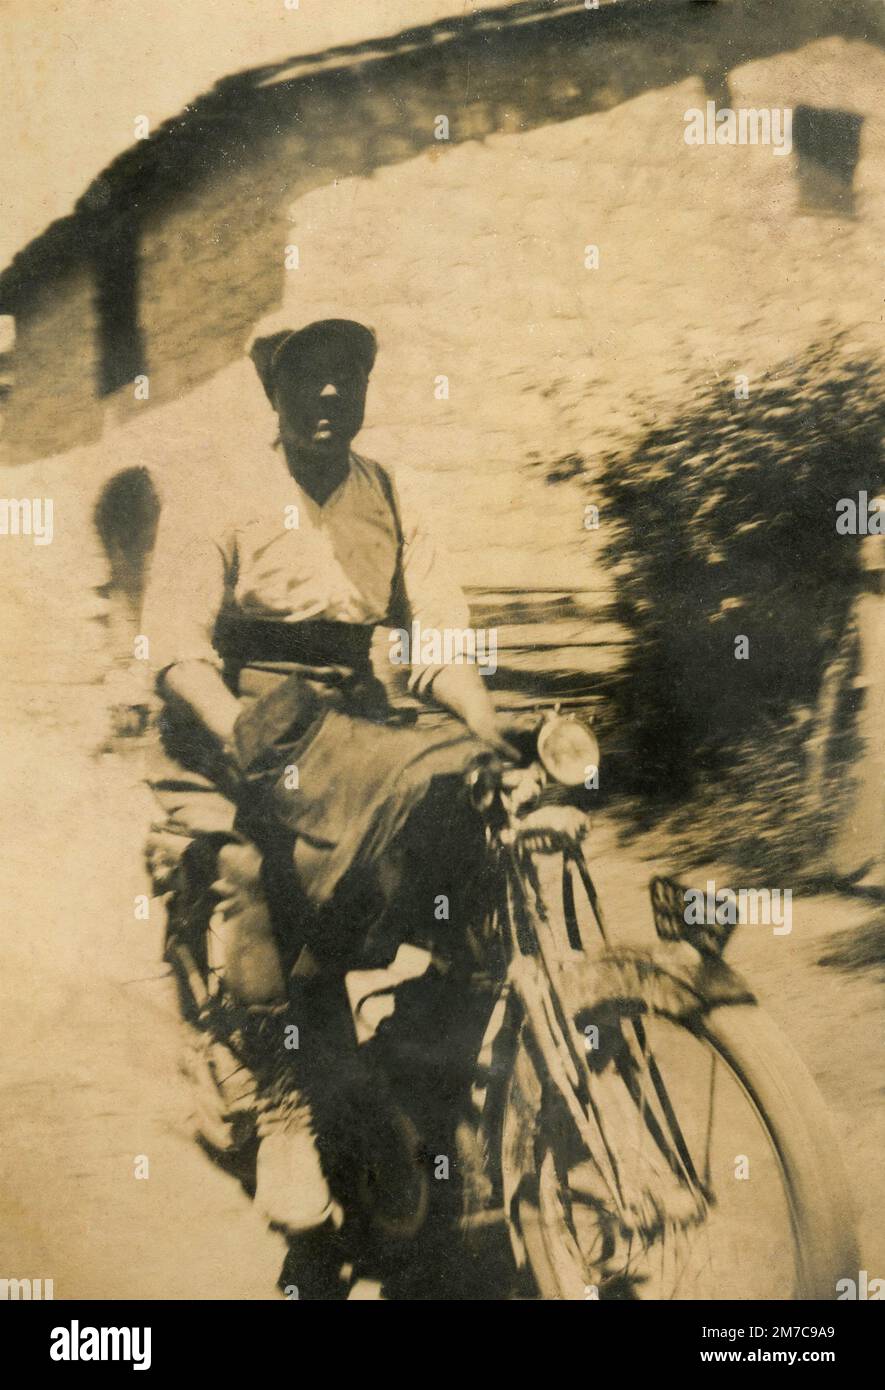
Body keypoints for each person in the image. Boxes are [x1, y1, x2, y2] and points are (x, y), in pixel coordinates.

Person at [141, 316, 514, 1295]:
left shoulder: (387, 495)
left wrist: (487, 736)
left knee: (471, 826)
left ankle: (421, 1058)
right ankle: (284, 1110)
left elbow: (438, 643)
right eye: (309, 379)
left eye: (347, 379)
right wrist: (236, 732)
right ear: (275, 393)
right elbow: (177, 647)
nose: (329, 397)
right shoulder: (222, 492)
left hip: (350, 719)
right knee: (258, 870)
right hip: (238, 712)